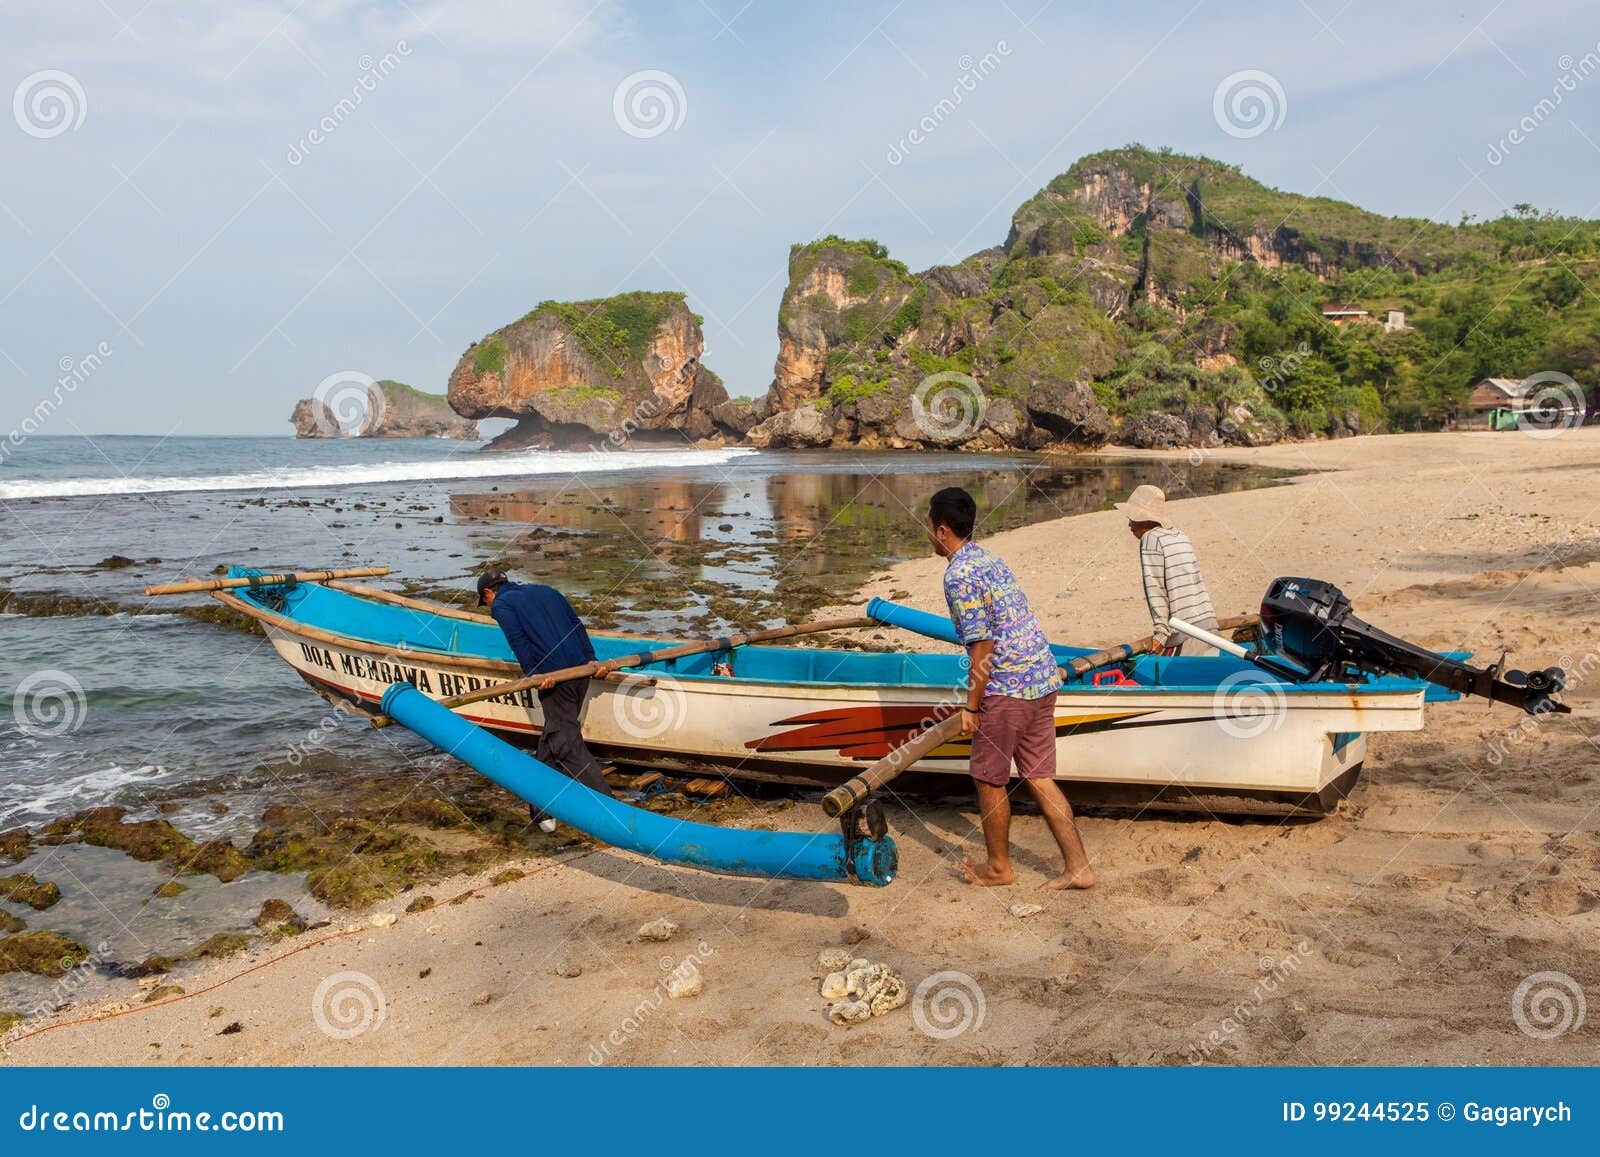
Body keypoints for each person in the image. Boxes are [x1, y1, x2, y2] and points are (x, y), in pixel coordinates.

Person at [929, 487, 1094, 891]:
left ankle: (999, 869)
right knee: (1038, 776)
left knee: (989, 777)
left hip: (1009, 689)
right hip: (1042, 676)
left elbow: (983, 644)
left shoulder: (959, 574)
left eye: (929, 526)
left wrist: (971, 706)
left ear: (944, 530)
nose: (927, 533)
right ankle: (1079, 867)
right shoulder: (989, 558)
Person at [476, 566, 613, 832]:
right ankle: (541, 811)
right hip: (580, 671)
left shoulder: (502, 604)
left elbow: (519, 641)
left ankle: (613, 811)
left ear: (488, 593)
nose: (489, 608)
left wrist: (534, 673)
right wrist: (591, 659)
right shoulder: (546, 591)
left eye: (485, 602)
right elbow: (576, 625)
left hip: (556, 677)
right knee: (552, 736)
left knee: (565, 744)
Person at [1115, 484, 1219, 656]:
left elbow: (1156, 589)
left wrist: (1161, 634)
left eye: (1132, 518)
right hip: (1208, 625)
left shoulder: (1151, 539)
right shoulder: (1180, 536)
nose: (1129, 524)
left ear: (1146, 519)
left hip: (1185, 632)